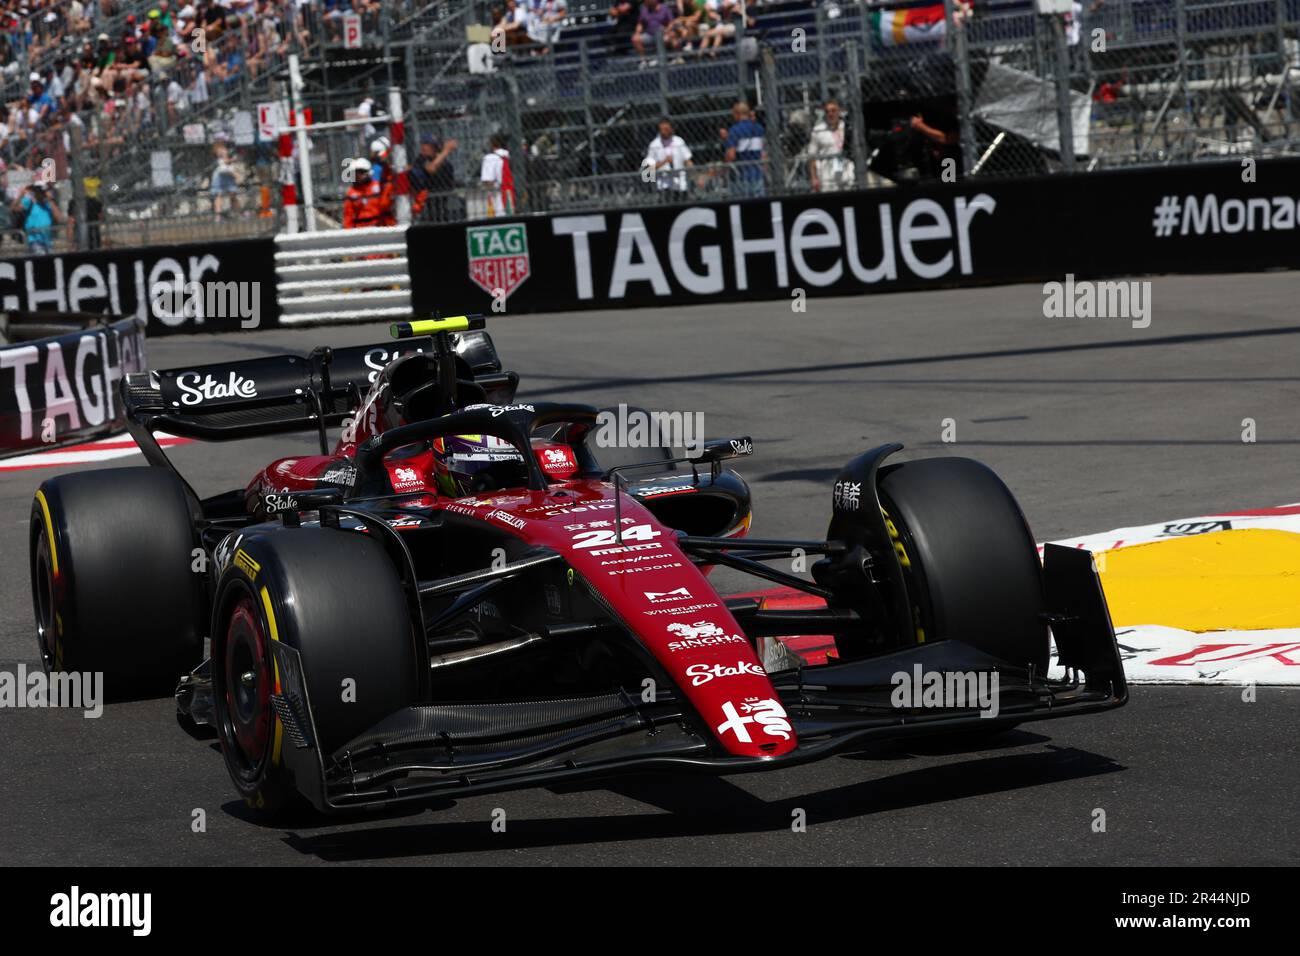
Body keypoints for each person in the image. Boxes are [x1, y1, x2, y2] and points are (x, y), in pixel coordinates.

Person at [408, 132, 458, 222]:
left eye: (428, 145)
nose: (424, 147)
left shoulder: (444, 162)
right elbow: (431, 168)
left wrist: (443, 152)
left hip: (444, 200)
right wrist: (446, 151)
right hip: (427, 202)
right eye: (423, 144)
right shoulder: (421, 159)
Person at [807, 99, 854, 192]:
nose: (830, 114)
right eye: (827, 111)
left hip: (847, 170)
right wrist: (814, 178)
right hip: (827, 174)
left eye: (833, 110)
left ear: (839, 112)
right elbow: (811, 156)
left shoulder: (847, 127)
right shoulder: (818, 130)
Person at [720, 100, 765, 196]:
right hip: (757, 173)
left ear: (737, 114)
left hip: (740, 175)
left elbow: (731, 155)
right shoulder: (759, 128)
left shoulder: (734, 130)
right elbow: (763, 152)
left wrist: (724, 169)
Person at [12, 182, 63, 254]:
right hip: (34, 240)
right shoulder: (29, 201)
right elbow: (14, 208)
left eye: (43, 191)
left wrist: (51, 200)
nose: (42, 193)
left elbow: (60, 218)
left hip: (47, 240)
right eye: (40, 191)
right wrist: (21, 195)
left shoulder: (48, 203)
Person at [342, 157, 394, 228]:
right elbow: (348, 216)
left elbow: (386, 207)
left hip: (379, 226)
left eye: (360, 172)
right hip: (360, 229)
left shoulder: (379, 187)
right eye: (355, 173)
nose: (357, 176)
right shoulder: (351, 192)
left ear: (368, 172)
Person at [643, 117, 692, 192]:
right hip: (664, 185)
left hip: (680, 184)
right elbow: (648, 169)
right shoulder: (654, 145)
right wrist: (664, 162)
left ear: (672, 129)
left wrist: (692, 171)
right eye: (661, 130)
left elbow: (687, 160)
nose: (664, 132)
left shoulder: (679, 141)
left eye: (666, 129)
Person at [479, 133, 515, 216]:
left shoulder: (490, 158)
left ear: (492, 144)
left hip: (498, 197)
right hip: (511, 193)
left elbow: (488, 181)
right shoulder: (509, 155)